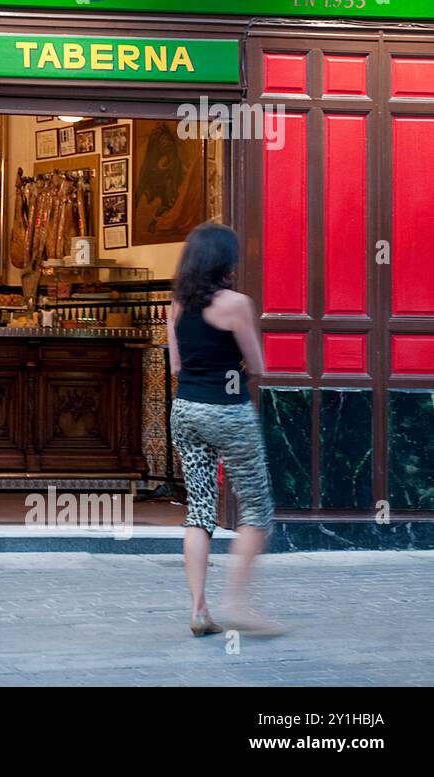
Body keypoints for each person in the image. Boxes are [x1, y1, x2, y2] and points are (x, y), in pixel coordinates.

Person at [166, 222, 281, 637]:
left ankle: (199, 609)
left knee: (199, 509)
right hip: (228, 413)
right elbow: (259, 365)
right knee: (256, 509)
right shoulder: (237, 303)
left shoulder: (176, 305)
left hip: (185, 410)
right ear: (225, 261)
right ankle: (237, 602)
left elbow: (177, 366)